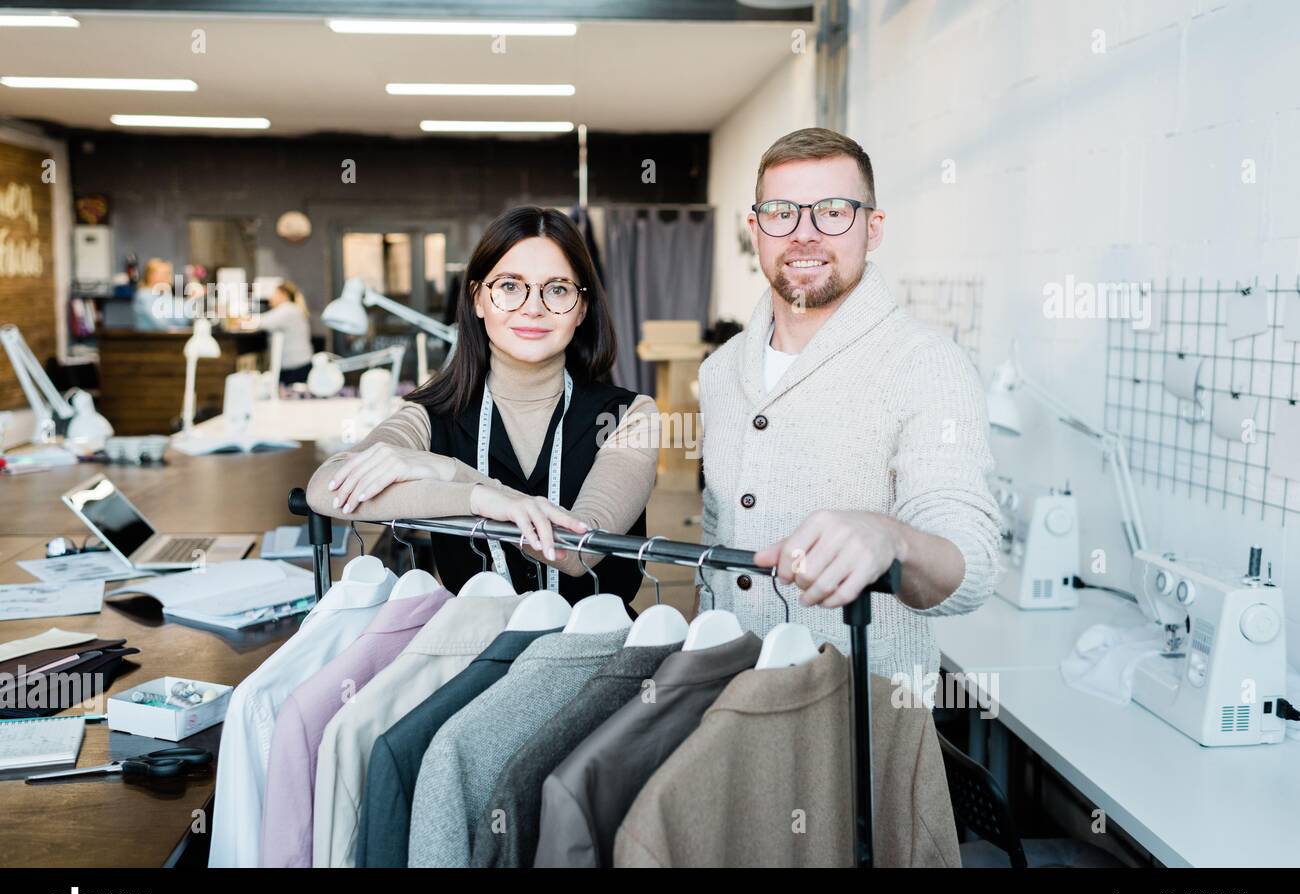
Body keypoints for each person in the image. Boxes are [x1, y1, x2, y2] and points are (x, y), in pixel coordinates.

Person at [697, 127, 1001, 683]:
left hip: (863, 724)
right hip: (726, 700)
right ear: (756, 228)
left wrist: (893, 538)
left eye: (833, 212)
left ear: (873, 227)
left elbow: (971, 569)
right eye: (782, 212)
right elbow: (717, 541)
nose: (803, 234)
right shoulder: (720, 371)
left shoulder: (927, 364)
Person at [307, 206, 660, 613]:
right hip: (473, 649)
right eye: (510, 286)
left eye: (558, 289)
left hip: (598, 653)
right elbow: (324, 489)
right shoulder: (430, 414)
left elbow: (575, 552)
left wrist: (447, 472)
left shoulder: (631, 416)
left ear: (582, 308)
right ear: (477, 298)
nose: (533, 307)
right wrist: (480, 499)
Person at [257, 280, 314, 384]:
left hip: (295, 367)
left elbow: (260, 322)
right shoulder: (294, 309)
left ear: (283, 295)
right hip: (300, 364)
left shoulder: (288, 309)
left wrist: (239, 319)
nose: (270, 298)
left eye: (274, 294)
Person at [131, 259, 191, 331]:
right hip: (150, 340)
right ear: (151, 276)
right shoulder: (143, 296)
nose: (168, 278)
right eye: (163, 274)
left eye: (169, 274)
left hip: (169, 338)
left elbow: (183, 321)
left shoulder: (166, 295)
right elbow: (161, 324)